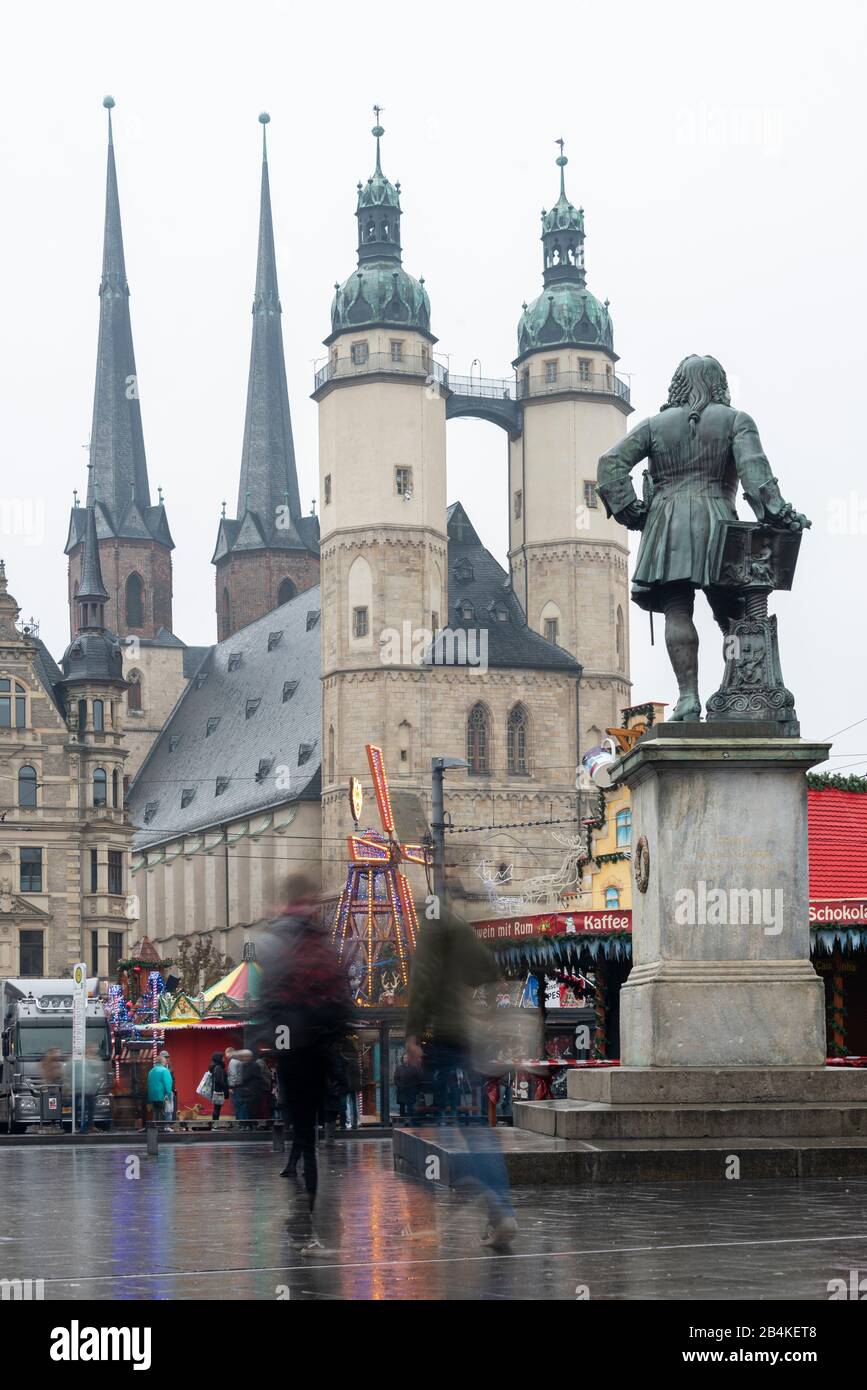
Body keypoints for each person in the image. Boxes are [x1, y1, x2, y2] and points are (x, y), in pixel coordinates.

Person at [405, 890, 518, 1249]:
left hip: (441, 1036)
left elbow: (422, 981)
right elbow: (487, 968)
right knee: (475, 1127)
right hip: (467, 1037)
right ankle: (500, 1209)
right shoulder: (461, 930)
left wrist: (412, 1033)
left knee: (440, 1125)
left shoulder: (431, 930)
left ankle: (431, 1220)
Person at [258, 873, 352, 1255]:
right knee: (310, 1140)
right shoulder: (322, 936)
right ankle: (312, 1218)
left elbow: (268, 996)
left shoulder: (274, 938)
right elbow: (341, 993)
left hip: (291, 1047)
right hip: (320, 1047)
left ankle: (303, 1219)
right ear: (310, 898)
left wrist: (262, 1042)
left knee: (300, 1133)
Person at [146, 1055, 173, 1125]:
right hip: (163, 1096)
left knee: (155, 1112)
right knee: (167, 1111)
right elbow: (168, 1084)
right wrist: (169, 1095)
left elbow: (148, 1084)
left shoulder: (151, 1071)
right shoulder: (165, 1070)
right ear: (163, 1062)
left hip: (152, 1096)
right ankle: (166, 1127)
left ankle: (154, 1127)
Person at [394, 1052, 419, 1124]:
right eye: (405, 1058)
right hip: (402, 1090)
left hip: (410, 1090)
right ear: (402, 1059)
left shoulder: (413, 1068)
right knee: (402, 1106)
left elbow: (416, 1079)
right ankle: (402, 1119)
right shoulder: (399, 1068)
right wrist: (399, 1085)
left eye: (407, 1058)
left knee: (410, 1106)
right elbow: (396, 1079)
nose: (406, 1059)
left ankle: (409, 1119)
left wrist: (412, 1086)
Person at [208, 1051, 229, 1128]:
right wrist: (226, 1086)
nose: (223, 1059)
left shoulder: (216, 1066)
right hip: (218, 1091)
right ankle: (215, 1125)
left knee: (217, 1108)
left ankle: (215, 1125)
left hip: (216, 1091)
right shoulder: (218, 1067)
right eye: (222, 1057)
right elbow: (218, 1080)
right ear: (218, 1058)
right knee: (217, 1109)